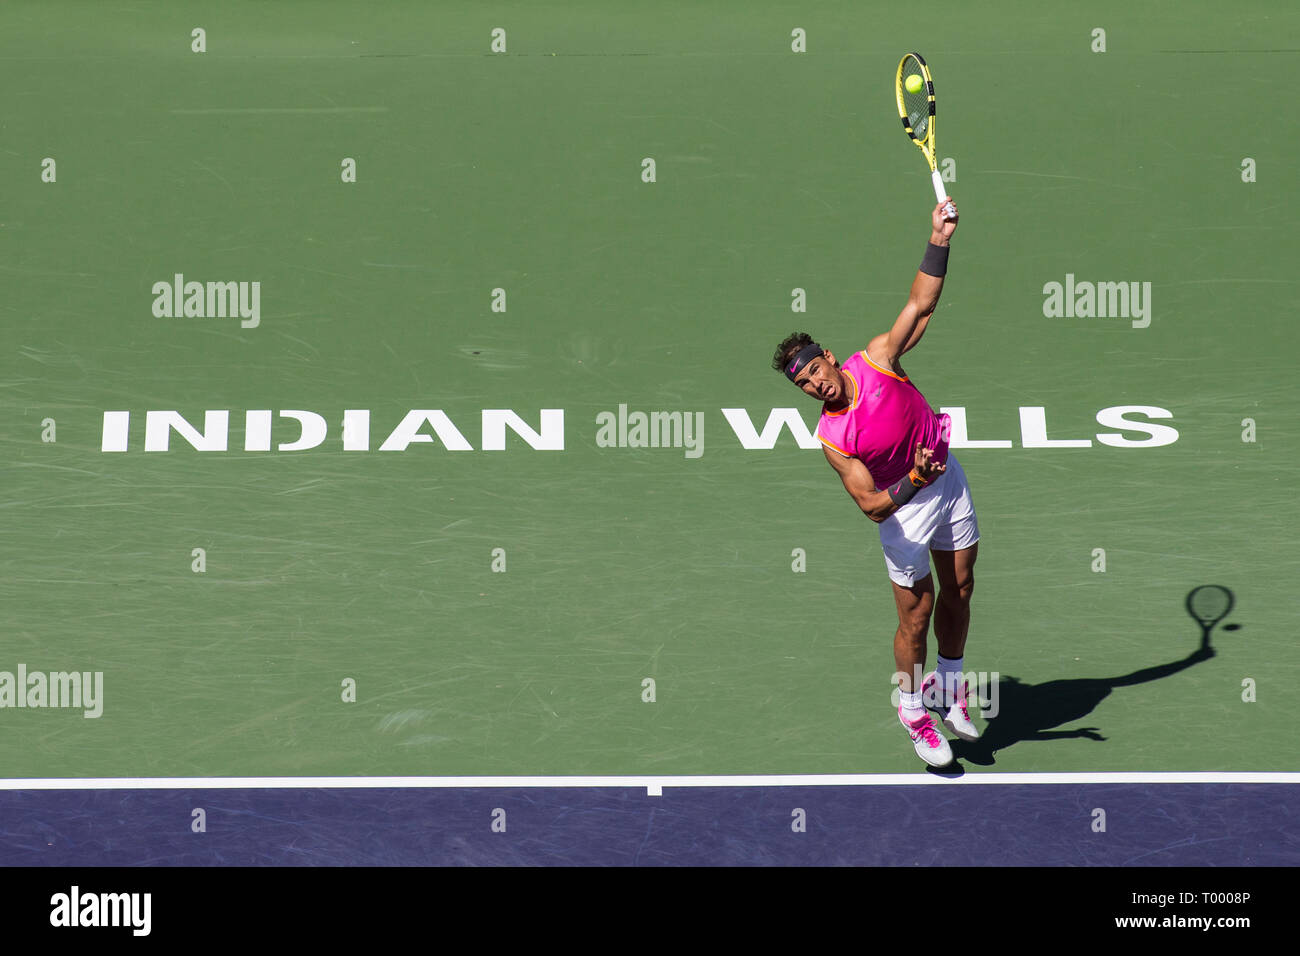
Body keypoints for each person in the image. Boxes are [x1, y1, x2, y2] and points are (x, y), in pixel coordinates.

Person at [771, 198, 980, 768]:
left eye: (814, 370)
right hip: (904, 509)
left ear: (831, 359)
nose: (815, 384)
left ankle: (950, 684)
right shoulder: (834, 437)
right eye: (804, 384)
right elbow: (871, 506)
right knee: (916, 613)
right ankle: (913, 710)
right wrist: (914, 477)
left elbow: (922, 302)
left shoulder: (880, 358)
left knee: (960, 589)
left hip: (948, 482)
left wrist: (939, 237)